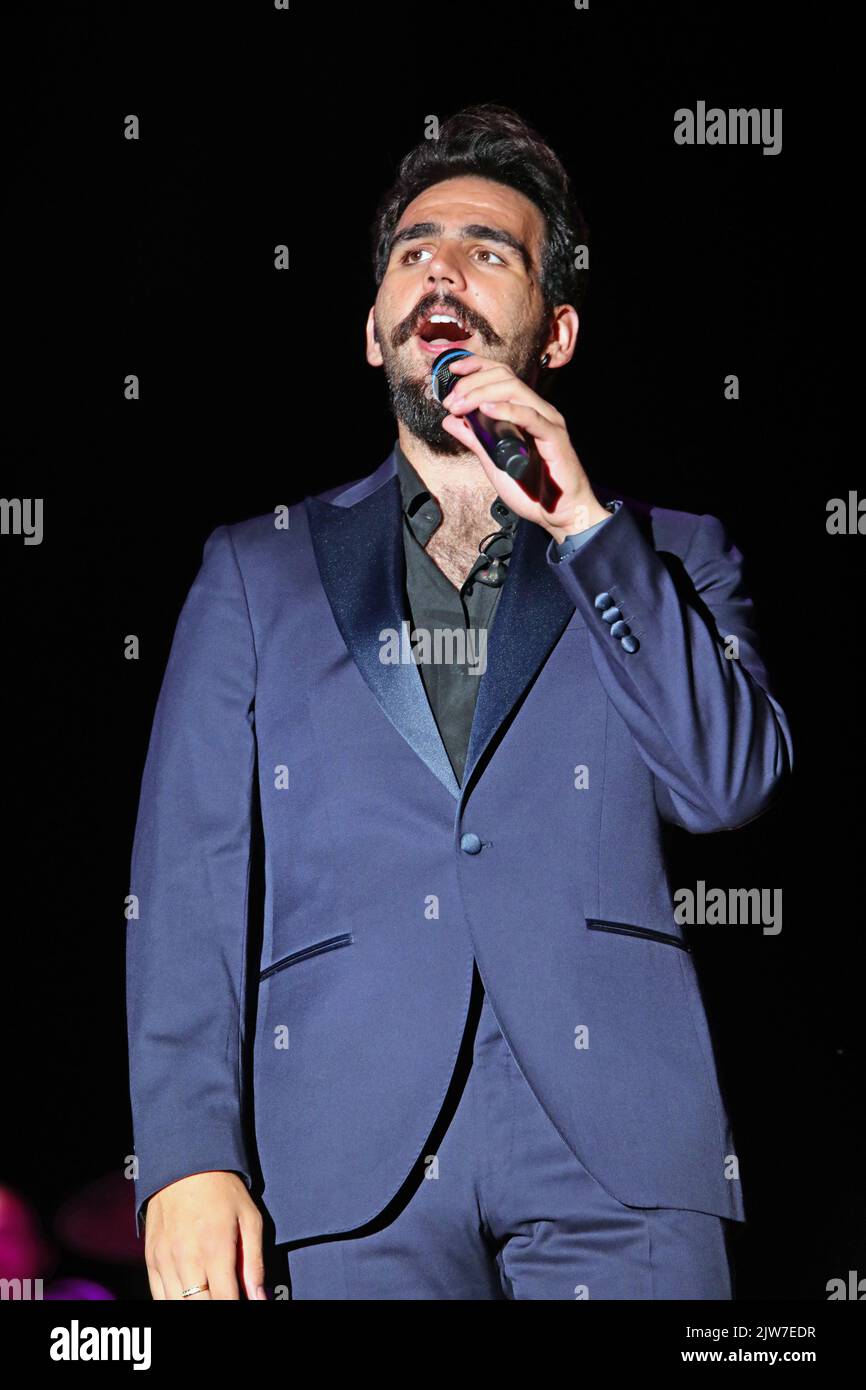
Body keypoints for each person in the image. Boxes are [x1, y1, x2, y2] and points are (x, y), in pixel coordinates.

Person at [125, 104, 793, 1300]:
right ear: (371, 323)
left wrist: (585, 530)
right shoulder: (254, 568)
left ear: (557, 331)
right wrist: (183, 1156)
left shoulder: (669, 555)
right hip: (339, 1162)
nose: (439, 264)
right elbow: (186, 883)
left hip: (621, 1160)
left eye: (489, 250)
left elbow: (727, 783)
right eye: (412, 249)